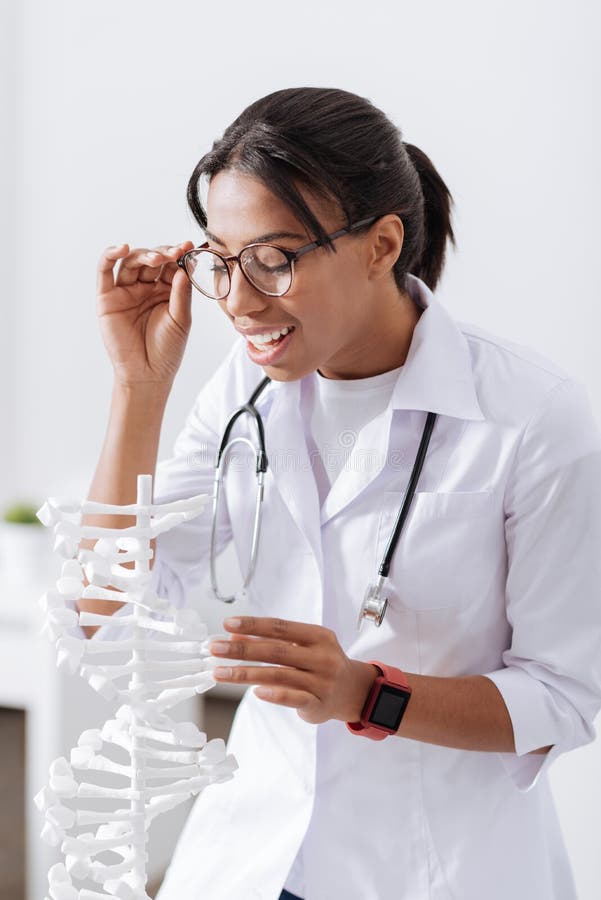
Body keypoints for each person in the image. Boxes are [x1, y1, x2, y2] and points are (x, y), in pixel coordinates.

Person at [84, 87, 601, 900]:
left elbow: (563, 699)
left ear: (380, 244)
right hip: (253, 860)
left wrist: (365, 694)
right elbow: (106, 616)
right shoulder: (242, 392)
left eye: (274, 258)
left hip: (437, 872)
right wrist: (137, 389)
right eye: (220, 260)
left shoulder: (531, 416)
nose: (238, 301)